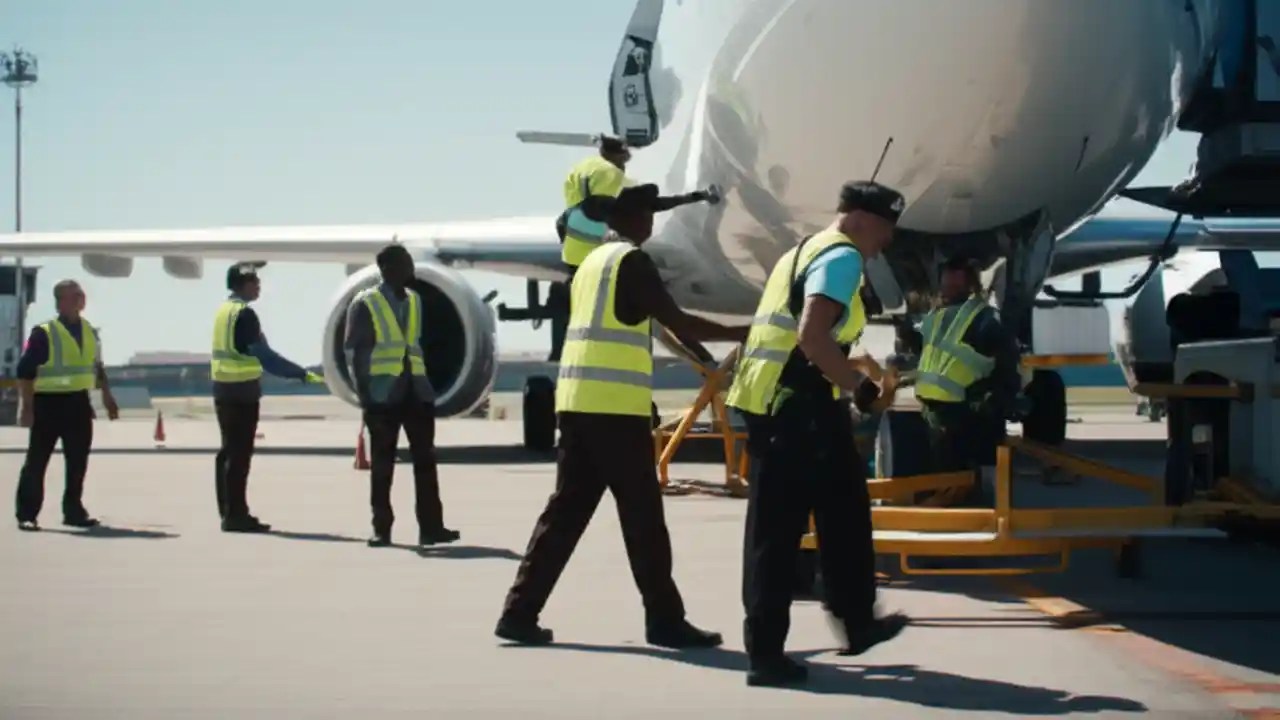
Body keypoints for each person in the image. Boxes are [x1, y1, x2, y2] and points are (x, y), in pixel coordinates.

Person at [496, 183, 749, 648]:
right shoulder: (631, 262)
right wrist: (744, 331)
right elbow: (679, 321)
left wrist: (706, 355)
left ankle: (518, 612)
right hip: (614, 413)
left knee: (565, 514)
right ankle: (665, 621)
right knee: (643, 518)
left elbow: (649, 324)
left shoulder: (591, 263)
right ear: (637, 219)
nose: (652, 222)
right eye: (649, 214)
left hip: (576, 406)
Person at [725, 180, 911, 687]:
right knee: (777, 534)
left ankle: (857, 621)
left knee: (845, 512)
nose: (887, 241)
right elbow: (811, 335)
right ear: (859, 219)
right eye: (885, 228)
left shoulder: (803, 251)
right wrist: (859, 388)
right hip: (792, 408)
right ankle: (765, 653)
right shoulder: (841, 256)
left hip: (798, 404)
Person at [549, 136, 719, 361]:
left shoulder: (582, 184)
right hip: (605, 261)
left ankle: (558, 354)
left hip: (579, 265)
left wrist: (696, 197)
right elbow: (675, 321)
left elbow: (564, 221)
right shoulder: (629, 261)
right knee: (652, 313)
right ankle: (708, 363)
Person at [344, 244, 459, 549]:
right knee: (382, 467)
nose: (412, 268)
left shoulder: (415, 300)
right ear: (388, 268)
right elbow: (355, 352)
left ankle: (432, 527)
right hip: (382, 395)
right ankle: (382, 529)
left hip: (416, 392)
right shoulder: (366, 302)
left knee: (426, 461)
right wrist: (364, 395)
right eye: (406, 263)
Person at [212, 262, 322, 533]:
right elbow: (266, 356)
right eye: (255, 281)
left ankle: (228, 511)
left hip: (223, 389)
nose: (259, 286)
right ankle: (236, 515)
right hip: (242, 393)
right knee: (239, 456)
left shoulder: (223, 311)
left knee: (227, 453)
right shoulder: (245, 315)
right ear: (243, 284)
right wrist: (301, 374)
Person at [911, 256, 1022, 500]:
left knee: (949, 471)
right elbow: (1005, 363)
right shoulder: (971, 318)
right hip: (957, 411)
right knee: (964, 468)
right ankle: (988, 493)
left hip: (946, 411)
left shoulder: (942, 317)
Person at [14, 279, 118, 531]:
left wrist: (107, 396)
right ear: (61, 302)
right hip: (48, 404)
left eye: (81, 294)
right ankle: (27, 513)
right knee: (37, 461)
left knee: (77, 461)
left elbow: (97, 367)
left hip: (78, 403)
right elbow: (25, 371)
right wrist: (25, 407)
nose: (81, 298)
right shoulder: (45, 333)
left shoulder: (90, 331)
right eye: (75, 295)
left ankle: (73, 510)